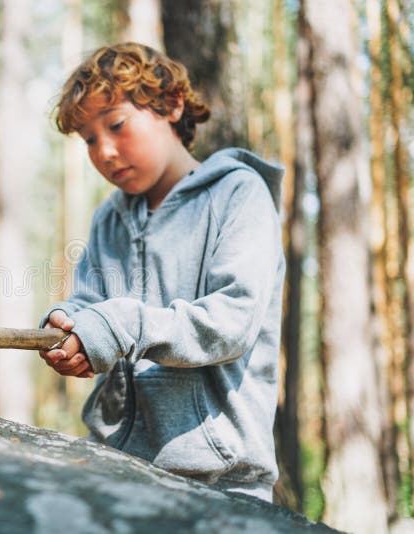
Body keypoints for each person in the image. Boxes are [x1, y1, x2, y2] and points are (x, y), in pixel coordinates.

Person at [39, 42, 285, 502]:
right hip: (115, 468)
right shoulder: (108, 219)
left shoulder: (239, 194)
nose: (104, 152)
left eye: (115, 124)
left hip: (222, 483)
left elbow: (233, 322)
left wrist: (121, 325)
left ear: (171, 104)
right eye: (89, 139)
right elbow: (90, 307)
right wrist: (66, 328)